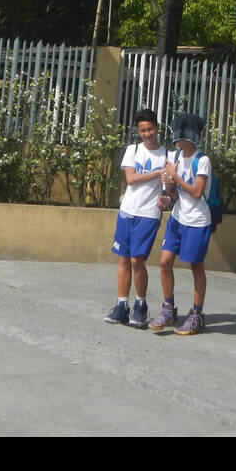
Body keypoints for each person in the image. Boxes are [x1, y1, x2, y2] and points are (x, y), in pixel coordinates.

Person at [149, 112, 212, 335]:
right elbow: (175, 192)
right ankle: (168, 308)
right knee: (165, 261)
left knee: (196, 266)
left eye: (181, 135)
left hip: (197, 221)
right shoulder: (175, 157)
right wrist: (167, 193)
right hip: (178, 217)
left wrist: (174, 177)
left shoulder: (202, 160)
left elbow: (196, 192)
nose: (176, 140)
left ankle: (197, 314)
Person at [105, 108, 167, 328]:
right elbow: (131, 179)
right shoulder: (133, 150)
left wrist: (166, 197)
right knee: (123, 258)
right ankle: (122, 304)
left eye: (150, 129)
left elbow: (168, 187)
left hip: (149, 214)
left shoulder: (166, 155)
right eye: (142, 130)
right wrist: (158, 173)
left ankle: (141, 305)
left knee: (136, 259)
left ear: (157, 128)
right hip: (127, 210)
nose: (146, 134)